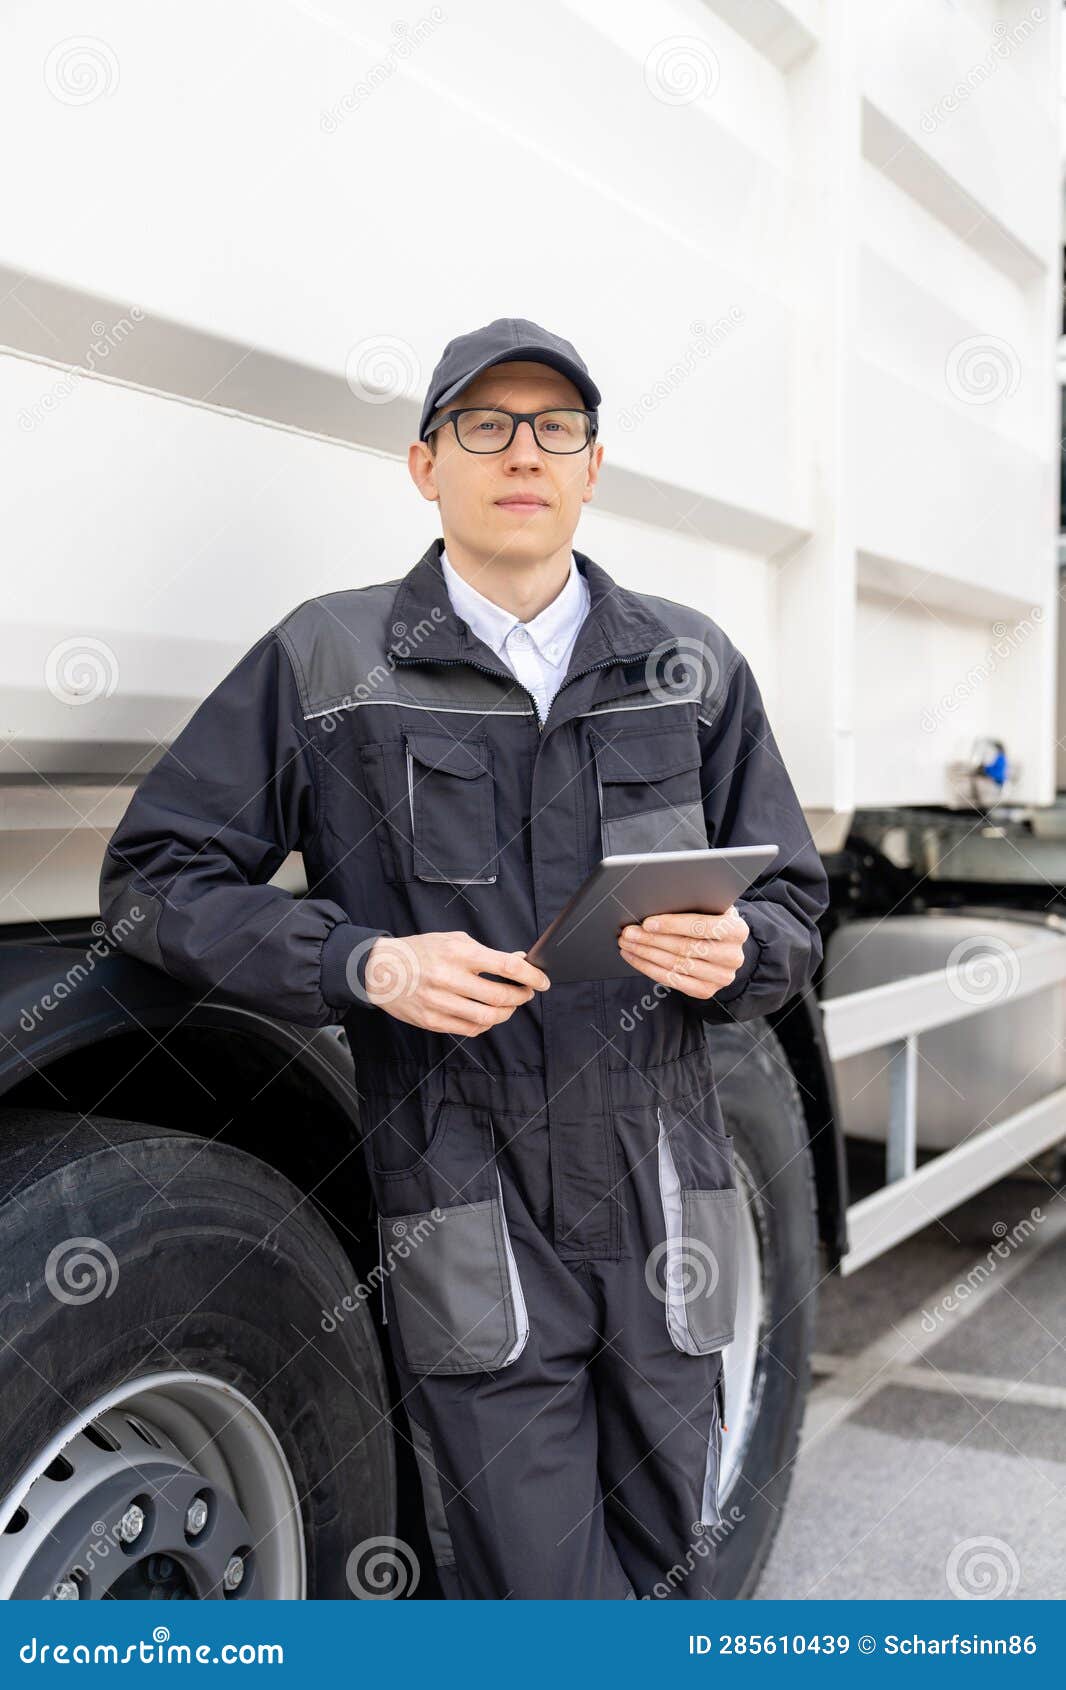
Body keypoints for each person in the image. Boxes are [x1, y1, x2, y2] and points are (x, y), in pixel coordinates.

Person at [99, 316, 830, 1599]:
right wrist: (362, 964)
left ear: (592, 467)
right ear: (424, 465)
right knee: (534, 1587)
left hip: (665, 1185)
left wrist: (740, 950)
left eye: (555, 428)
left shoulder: (690, 663)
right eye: (484, 426)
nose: (522, 453)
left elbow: (791, 910)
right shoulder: (329, 660)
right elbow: (155, 882)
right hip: (463, 1185)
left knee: (680, 1568)